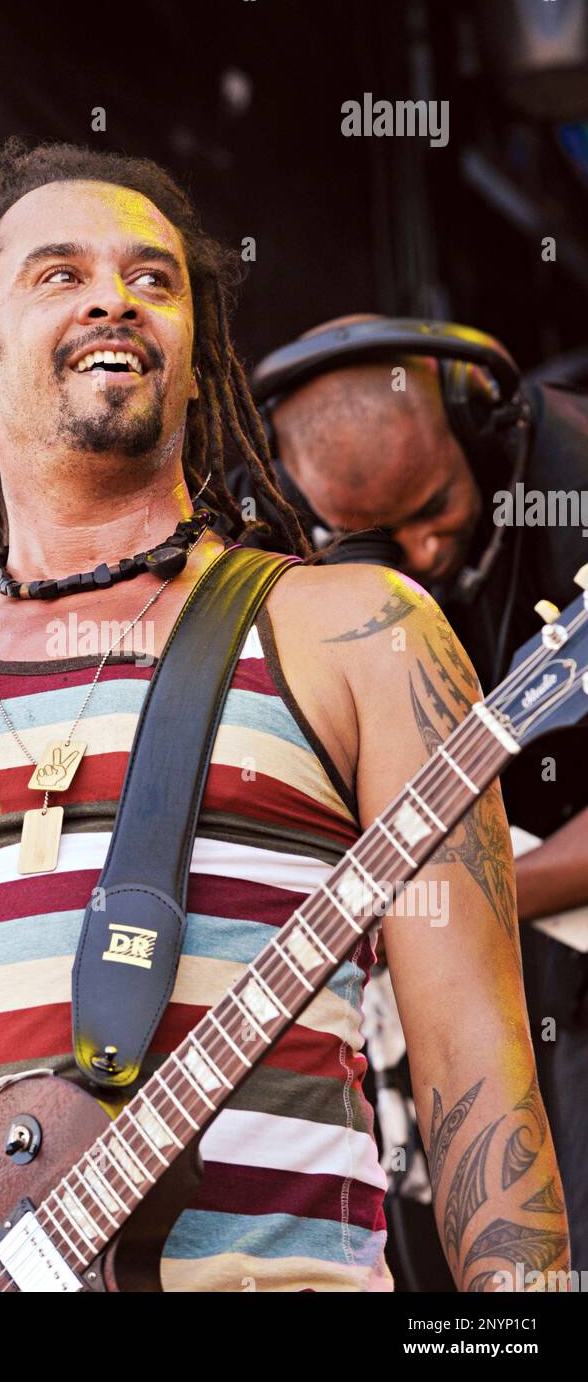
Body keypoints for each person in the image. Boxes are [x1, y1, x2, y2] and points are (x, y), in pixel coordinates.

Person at [0, 142, 568, 1292]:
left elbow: (478, 1078)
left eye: (154, 278)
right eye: (59, 273)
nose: (112, 294)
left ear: (195, 364)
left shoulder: (357, 633)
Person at [229, 313, 588, 1274]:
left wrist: (439, 913)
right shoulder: (281, 573)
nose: (423, 555)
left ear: (480, 428)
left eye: (434, 505)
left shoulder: (574, 477)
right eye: (376, 536)